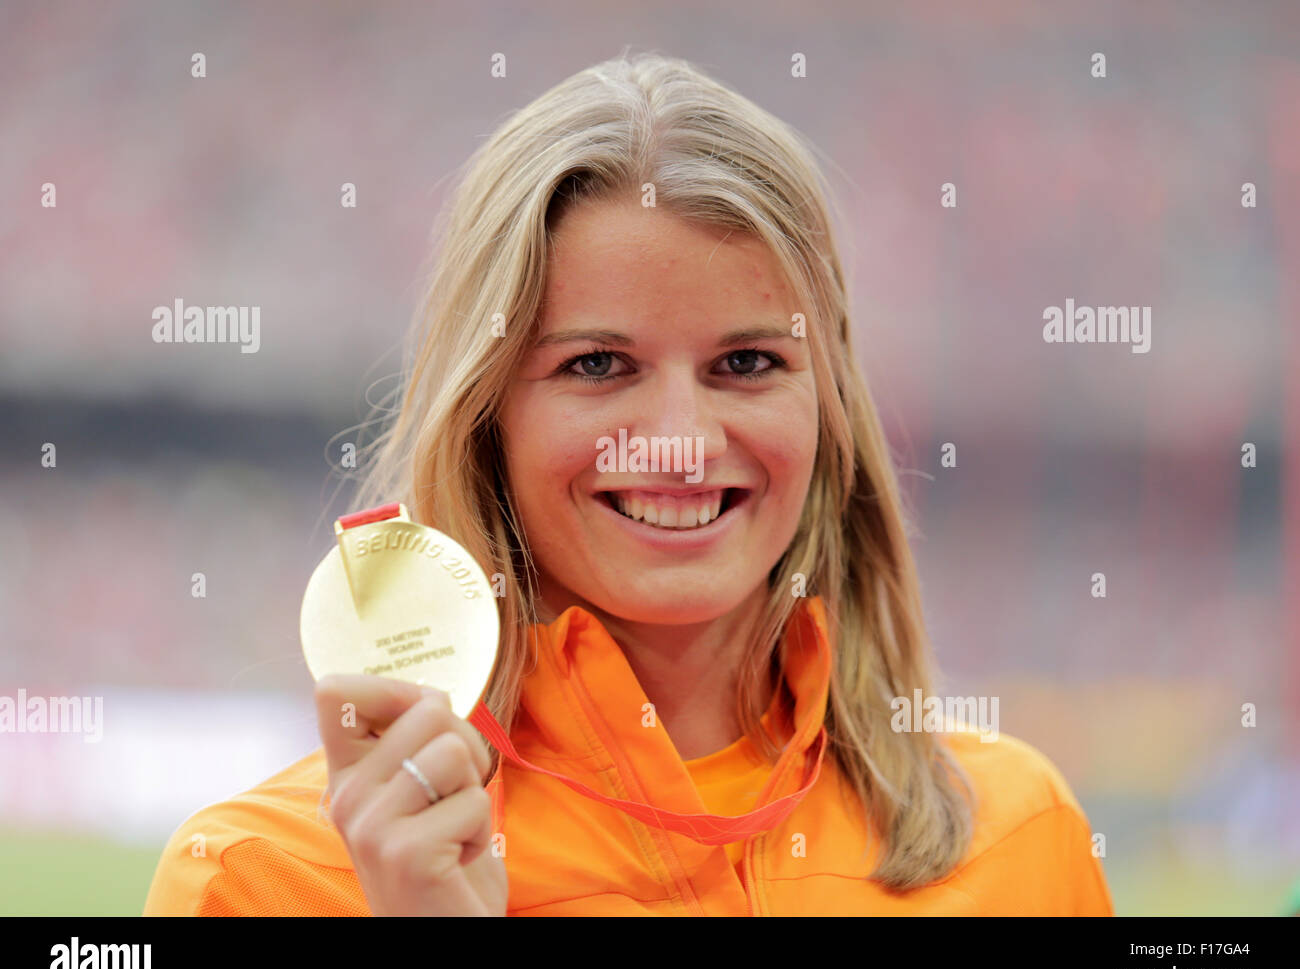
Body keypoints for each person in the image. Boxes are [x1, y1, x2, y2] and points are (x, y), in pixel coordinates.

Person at [143, 50, 1113, 916]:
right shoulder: (261, 878)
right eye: (598, 366)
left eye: (746, 362)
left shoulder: (1021, 834)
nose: (680, 443)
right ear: (486, 414)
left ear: (828, 403)